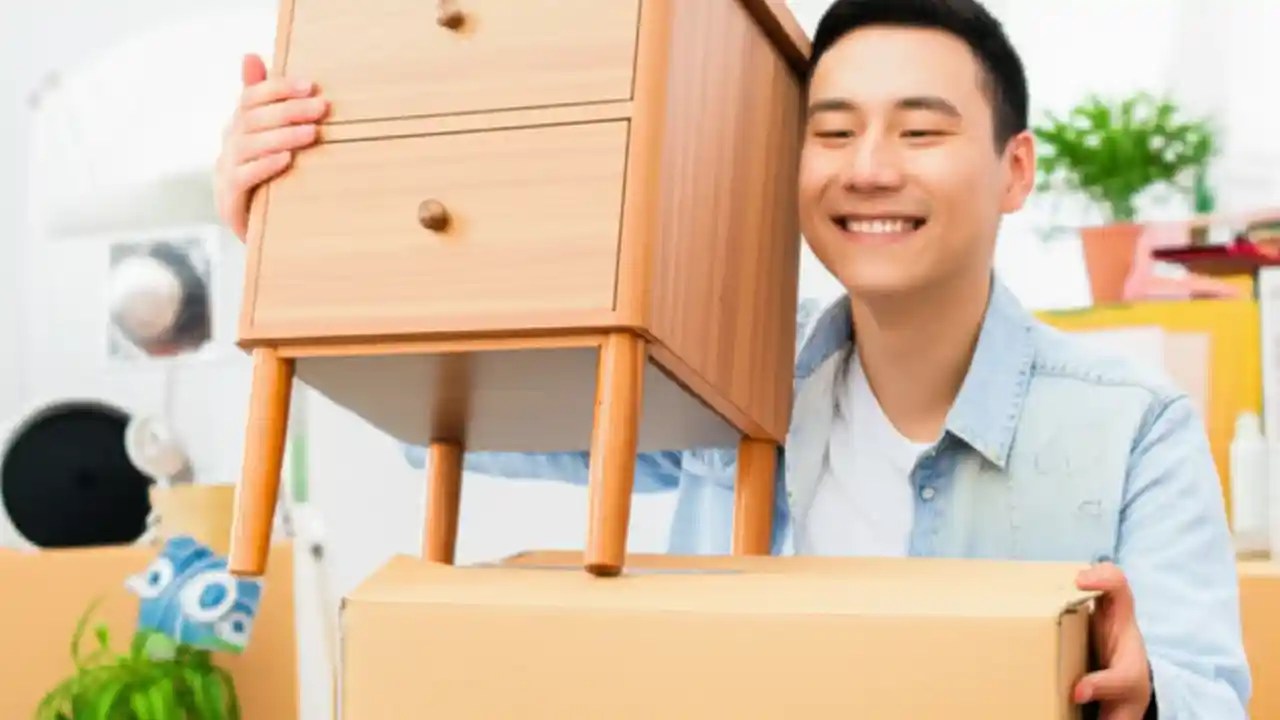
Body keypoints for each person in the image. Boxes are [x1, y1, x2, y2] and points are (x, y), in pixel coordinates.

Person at [215, 0, 1250, 716]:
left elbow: (1209, 694)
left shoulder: (1130, 425)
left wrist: (1146, 696)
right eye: (830, 132)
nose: (869, 170)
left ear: (1012, 169)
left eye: (919, 132)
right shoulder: (723, 382)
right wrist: (295, 223)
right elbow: (466, 401)